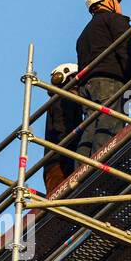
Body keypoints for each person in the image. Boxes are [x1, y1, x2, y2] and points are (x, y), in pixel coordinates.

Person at [75, 0, 131, 161]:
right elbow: (126, 49)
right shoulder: (114, 20)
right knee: (109, 124)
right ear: (108, 1)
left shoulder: (83, 35)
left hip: (86, 86)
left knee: (89, 128)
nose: (119, 6)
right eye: (117, 1)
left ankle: (80, 169)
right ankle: (101, 163)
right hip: (110, 81)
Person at [42, 62, 83, 193]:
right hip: (60, 163)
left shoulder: (59, 99)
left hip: (57, 163)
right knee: (60, 205)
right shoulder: (65, 99)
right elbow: (63, 130)